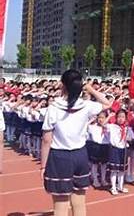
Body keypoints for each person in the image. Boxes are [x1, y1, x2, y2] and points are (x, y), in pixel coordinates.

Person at [40, 69, 111, 216]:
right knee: (79, 204)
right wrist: (90, 89)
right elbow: (107, 103)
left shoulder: (54, 107)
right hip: (80, 155)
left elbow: (47, 140)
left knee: (61, 206)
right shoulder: (86, 105)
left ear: (62, 85)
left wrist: (43, 166)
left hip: (60, 157)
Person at [107, 109, 134, 195]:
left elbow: (131, 138)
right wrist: (109, 117)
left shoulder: (128, 128)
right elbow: (103, 124)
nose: (120, 119)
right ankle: (113, 187)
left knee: (122, 170)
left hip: (124, 150)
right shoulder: (112, 127)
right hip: (115, 149)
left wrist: (128, 136)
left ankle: (120, 186)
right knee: (114, 170)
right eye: (119, 117)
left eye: (123, 117)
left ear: (125, 118)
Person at [87, 111, 111, 188]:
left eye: (102, 117)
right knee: (95, 164)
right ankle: (95, 180)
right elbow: (85, 127)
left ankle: (103, 179)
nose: (100, 119)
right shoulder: (93, 127)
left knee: (104, 164)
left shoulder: (108, 127)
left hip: (105, 146)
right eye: (99, 117)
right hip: (96, 146)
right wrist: (91, 120)